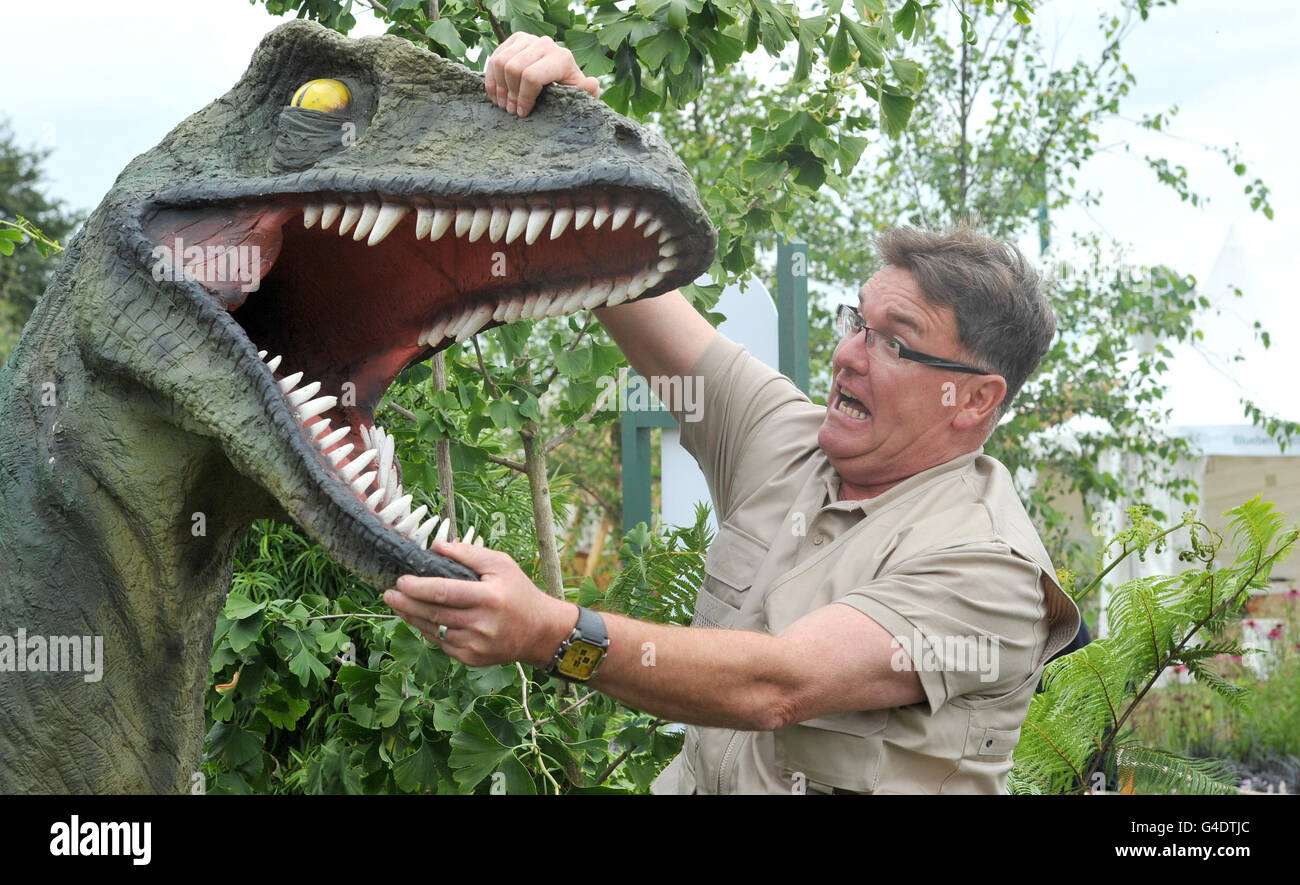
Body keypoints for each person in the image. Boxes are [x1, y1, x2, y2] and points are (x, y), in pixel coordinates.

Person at [381, 34, 1081, 794]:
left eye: (896, 344)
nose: (848, 355)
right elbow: (621, 269)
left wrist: (550, 633)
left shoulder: (989, 569)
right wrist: (570, 119)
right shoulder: (786, 442)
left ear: (975, 397)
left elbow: (777, 686)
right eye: (857, 321)